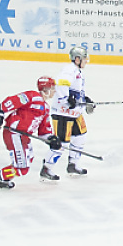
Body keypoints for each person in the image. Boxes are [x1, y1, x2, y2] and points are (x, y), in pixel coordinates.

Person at [0, 77, 61, 196]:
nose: (55, 91)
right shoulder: (32, 96)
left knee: (28, 159)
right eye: (52, 88)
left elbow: (44, 130)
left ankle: (5, 180)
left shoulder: (46, 108)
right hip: (15, 134)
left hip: (24, 137)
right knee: (22, 168)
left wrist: (51, 139)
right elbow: (12, 101)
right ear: (45, 89)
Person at [43, 44, 94, 180]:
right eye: (84, 58)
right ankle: (47, 168)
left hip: (74, 113)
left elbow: (75, 92)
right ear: (77, 59)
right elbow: (61, 85)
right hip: (63, 113)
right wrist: (66, 100)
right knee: (62, 143)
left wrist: (85, 100)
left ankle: (73, 164)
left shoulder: (77, 71)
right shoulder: (69, 69)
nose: (86, 61)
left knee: (80, 137)